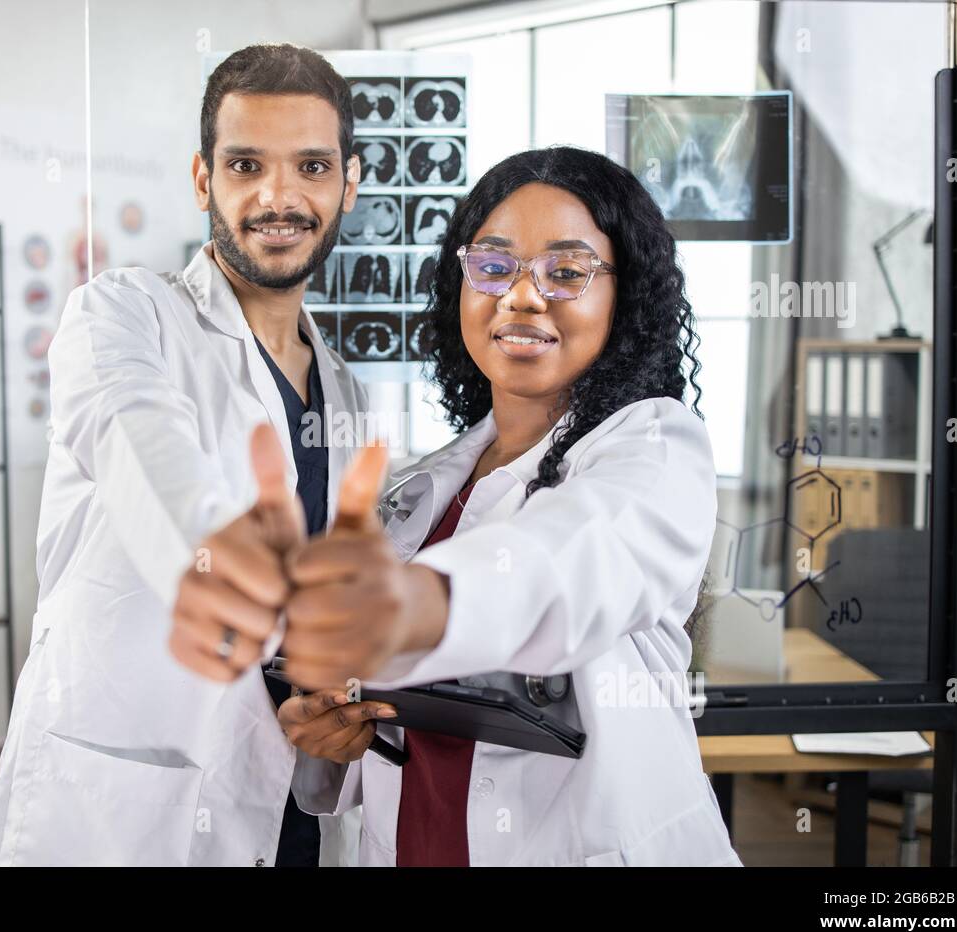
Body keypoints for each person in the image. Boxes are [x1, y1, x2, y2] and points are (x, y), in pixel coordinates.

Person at [274, 146, 743, 866]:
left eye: (566, 272)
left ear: (625, 297)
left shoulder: (657, 451)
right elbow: (404, 722)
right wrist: (334, 737)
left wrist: (410, 604)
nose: (521, 296)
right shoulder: (424, 491)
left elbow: (562, 567)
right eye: (494, 266)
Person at [0, 43, 368, 866]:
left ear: (349, 184)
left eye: (312, 166)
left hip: (283, 797)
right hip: (124, 808)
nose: (278, 196)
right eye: (246, 163)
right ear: (202, 180)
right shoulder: (120, 317)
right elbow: (154, 472)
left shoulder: (345, 391)